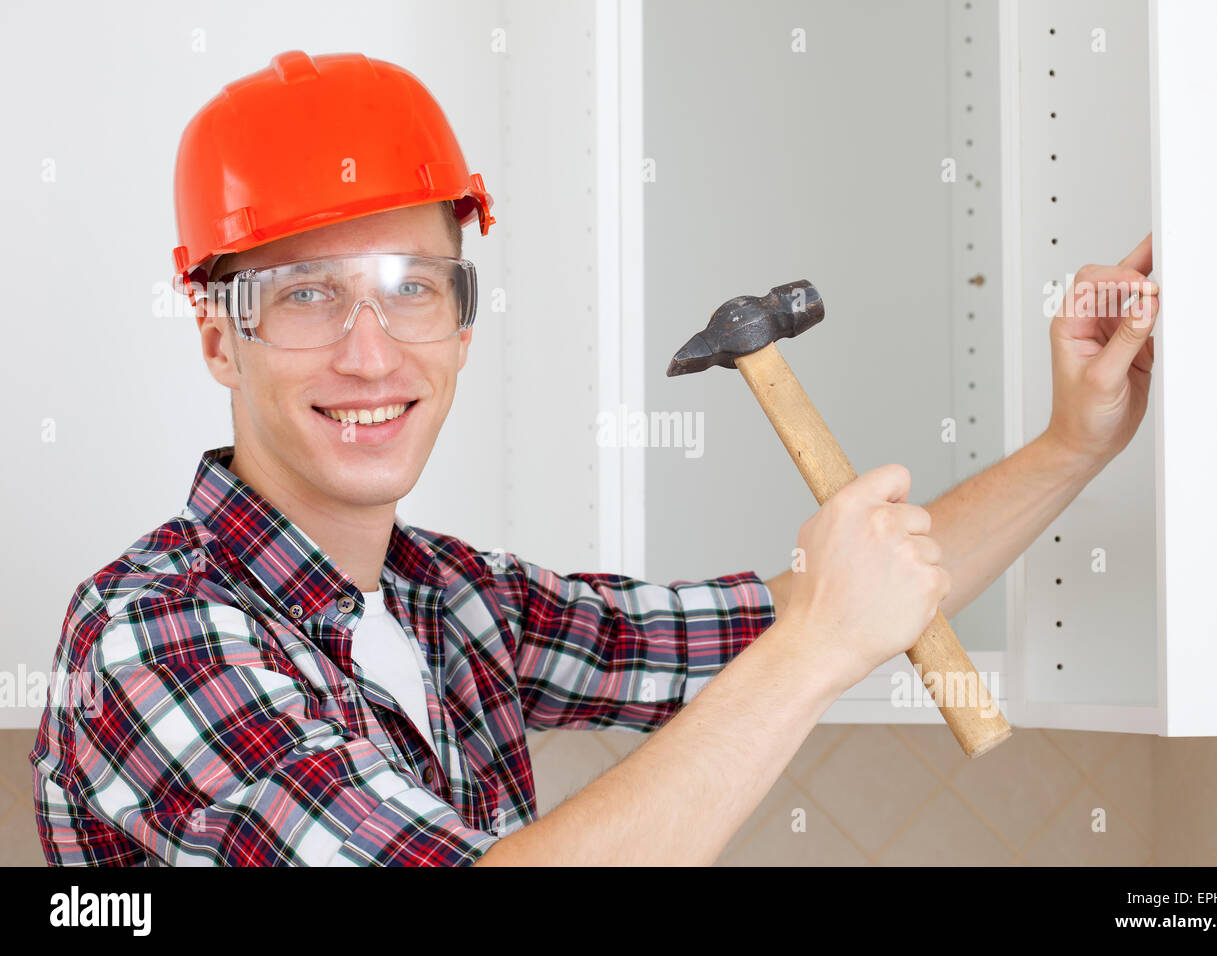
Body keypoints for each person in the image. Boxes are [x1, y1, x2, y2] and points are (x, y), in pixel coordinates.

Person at [30, 50, 1159, 867]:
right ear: (220, 335)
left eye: (411, 289)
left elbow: (829, 603)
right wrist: (814, 647)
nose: (371, 353)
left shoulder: (456, 602)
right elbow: (810, 636)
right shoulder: (153, 629)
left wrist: (1073, 445)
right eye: (306, 294)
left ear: (462, 325)